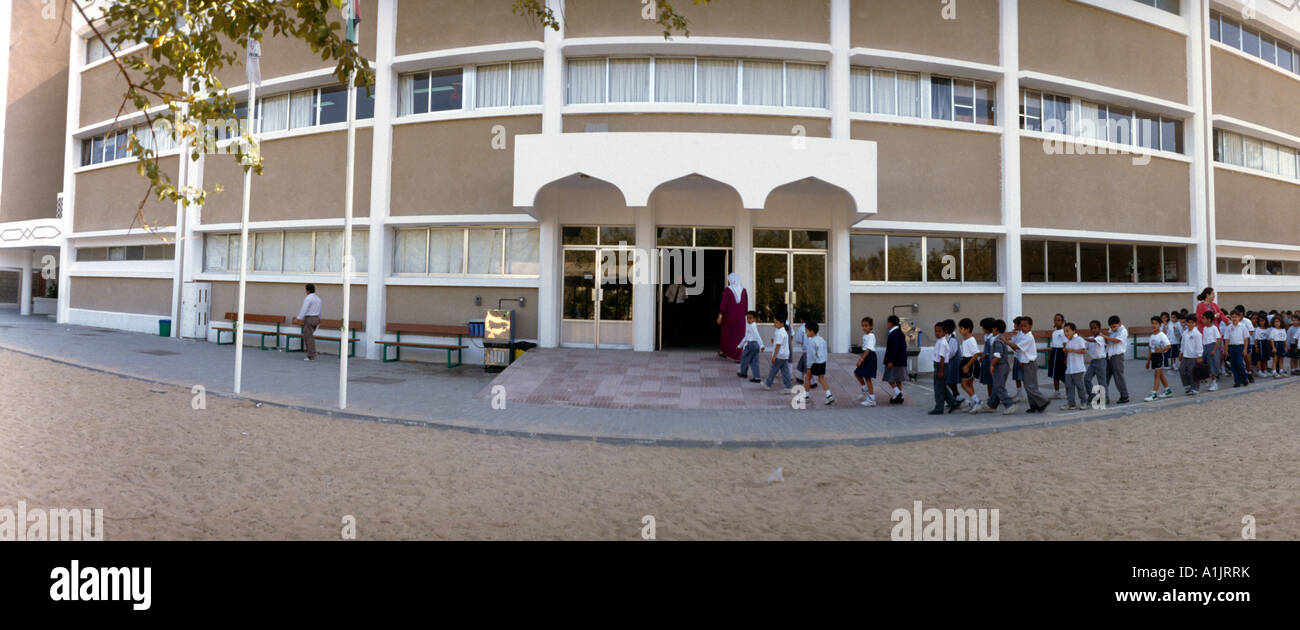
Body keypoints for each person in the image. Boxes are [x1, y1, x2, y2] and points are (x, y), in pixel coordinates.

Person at [973, 319, 1016, 415]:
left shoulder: (997, 340)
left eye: (992, 329)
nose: (991, 331)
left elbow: (998, 355)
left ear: (995, 329)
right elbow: (995, 353)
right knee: (997, 386)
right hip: (1001, 365)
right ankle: (992, 405)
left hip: (1000, 366)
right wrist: (987, 355)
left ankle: (1010, 404)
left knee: (998, 386)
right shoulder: (999, 338)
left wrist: (991, 365)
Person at [1007, 316, 1049, 413]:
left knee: (1030, 386)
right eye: (1021, 326)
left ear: (1030, 326)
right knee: (1028, 386)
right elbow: (1020, 351)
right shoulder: (1023, 335)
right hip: (1025, 363)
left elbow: (1017, 347)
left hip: (1030, 364)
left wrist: (1006, 341)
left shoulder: (1029, 337)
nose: (1022, 328)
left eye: (1025, 326)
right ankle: (1034, 405)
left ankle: (1043, 401)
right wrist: (1021, 362)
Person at [801, 323, 834, 406]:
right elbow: (824, 352)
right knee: (821, 378)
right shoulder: (821, 339)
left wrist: (808, 367)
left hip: (815, 363)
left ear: (811, 331)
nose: (806, 333)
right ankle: (829, 395)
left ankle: (806, 396)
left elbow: (811, 355)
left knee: (807, 378)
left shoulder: (812, 341)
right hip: (822, 362)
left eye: (806, 331)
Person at [717, 273, 747, 362]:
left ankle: (725, 352)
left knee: (727, 335)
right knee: (739, 337)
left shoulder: (728, 290)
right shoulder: (744, 291)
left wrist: (720, 316)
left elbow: (723, 305)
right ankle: (738, 356)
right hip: (740, 319)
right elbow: (745, 306)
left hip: (729, 318)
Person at [1101, 315, 1130, 404]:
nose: (1113, 329)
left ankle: (1124, 395)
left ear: (1120, 324)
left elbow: (1116, 340)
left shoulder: (1123, 331)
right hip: (1109, 355)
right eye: (1111, 327)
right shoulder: (1111, 330)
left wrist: (1105, 337)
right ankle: (1103, 397)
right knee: (1105, 375)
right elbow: (1109, 339)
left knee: (1118, 376)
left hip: (1117, 356)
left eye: (1114, 327)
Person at [763, 308, 794, 394]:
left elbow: (778, 346)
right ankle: (788, 387)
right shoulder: (782, 331)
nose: (774, 324)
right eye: (774, 322)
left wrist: (774, 356)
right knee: (785, 371)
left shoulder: (780, 332)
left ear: (782, 323)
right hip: (784, 355)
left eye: (776, 322)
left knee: (773, 369)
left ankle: (767, 383)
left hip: (780, 355)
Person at [928, 322, 955, 415]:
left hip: (941, 366)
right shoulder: (939, 341)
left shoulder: (943, 342)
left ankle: (939, 408)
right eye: (935, 331)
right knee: (942, 387)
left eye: (939, 331)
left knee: (938, 388)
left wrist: (940, 372)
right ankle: (952, 402)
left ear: (945, 332)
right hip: (939, 365)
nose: (937, 333)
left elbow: (942, 358)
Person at [1144, 315, 1173, 402]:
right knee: (1160, 375)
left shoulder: (1162, 335)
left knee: (1157, 375)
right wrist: (1148, 361)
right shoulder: (1152, 336)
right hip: (1153, 357)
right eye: (1152, 323)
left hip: (1160, 357)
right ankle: (1167, 391)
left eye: (1156, 323)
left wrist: (1160, 350)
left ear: (1160, 325)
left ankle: (1154, 394)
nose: (1154, 325)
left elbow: (1168, 346)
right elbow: (1151, 349)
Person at [1061, 323, 1088, 411]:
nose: (1066, 333)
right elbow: (1068, 353)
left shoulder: (1079, 339)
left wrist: (1071, 350)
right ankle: (1071, 403)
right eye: (1064, 331)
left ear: (1074, 331)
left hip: (1078, 368)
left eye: (1067, 331)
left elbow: (1083, 351)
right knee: (1069, 386)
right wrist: (1065, 353)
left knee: (1080, 386)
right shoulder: (1068, 342)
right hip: (1069, 368)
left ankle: (1084, 402)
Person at [882, 315, 908, 405]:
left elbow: (893, 349)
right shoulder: (899, 333)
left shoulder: (894, 334)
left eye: (888, 323)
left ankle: (898, 393)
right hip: (901, 361)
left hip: (894, 362)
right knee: (898, 379)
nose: (887, 325)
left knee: (890, 378)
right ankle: (900, 397)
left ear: (890, 323)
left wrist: (890, 361)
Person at [1083, 320, 1109, 406]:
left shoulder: (1100, 337)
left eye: (1095, 328)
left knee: (1102, 381)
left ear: (1099, 328)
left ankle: (1105, 398)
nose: (1093, 330)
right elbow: (1084, 346)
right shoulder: (1090, 338)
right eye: (1091, 328)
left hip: (1101, 361)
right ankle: (1092, 395)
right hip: (1093, 362)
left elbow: (1092, 340)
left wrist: (1083, 338)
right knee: (1086, 378)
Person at [293, 283, 322, 361]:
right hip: (316, 319)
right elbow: (319, 311)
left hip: (309, 318)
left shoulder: (308, 298)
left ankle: (310, 355)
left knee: (308, 337)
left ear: (308, 290)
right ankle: (313, 352)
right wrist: (319, 319)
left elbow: (304, 309)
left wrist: (298, 318)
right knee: (311, 337)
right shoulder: (318, 299)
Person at [958, 318, 982, 411]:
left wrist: (967, 366)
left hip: (969, 362)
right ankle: (973, 403)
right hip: (965, 360)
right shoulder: (965, 340)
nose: (960, 330)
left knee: (963, 384)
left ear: (968, 329)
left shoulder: (971, 340)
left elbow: (976, 354)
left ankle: (978, 401)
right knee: (969, 384)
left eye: (961, 328)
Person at [855, 317, 878, 406]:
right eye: (863, 326)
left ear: (871, 326)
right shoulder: (865, 336)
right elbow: (864, 349)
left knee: (867, 378)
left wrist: (861, 359)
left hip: (870, 356)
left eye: (866, 326)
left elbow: (868, 349)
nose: (864, 328)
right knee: (857, 373)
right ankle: (865, 389)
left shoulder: (871, 336)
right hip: (866, 356)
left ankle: (872, 399)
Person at [737, 311, 764, 382]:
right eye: (747, 318)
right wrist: (760, 345)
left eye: (750, 318)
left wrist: (762, 345)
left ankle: (743, 373)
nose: (748, 320)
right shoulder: (752, 325)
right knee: (754, 361)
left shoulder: (752, 326)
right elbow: (747, 337)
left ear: (755, 319)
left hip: (751, 345)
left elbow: (756, 336)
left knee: (744, 358)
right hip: (755, 345)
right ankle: (757, 377)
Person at [1225, 310, 1250, 388]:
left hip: (1240, 346)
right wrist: (1226, 350)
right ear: (1230, 318)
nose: (1234, 318)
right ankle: (1237, 381)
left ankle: (1245, 377)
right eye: (1232, 317)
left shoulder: (1243, 326)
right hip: (1231, 347)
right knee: (1233, 365)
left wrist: (1245, 349)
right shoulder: (1229, 327)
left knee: (1239, 363)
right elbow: (1227, 339)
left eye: (1236, 317)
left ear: (1239, 317)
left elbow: (1246, 338)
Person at [1179, 317, 1203, 396]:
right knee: (1182, 370)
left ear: (1195, 323)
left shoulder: (1197, 334)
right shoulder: (1185, 333)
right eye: (1189, 322)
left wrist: (1199, 356)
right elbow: (1182, 344)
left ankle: (1195, 388)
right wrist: (1181, 352)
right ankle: (1187, 386)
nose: (1190, 324)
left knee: (1193, 373)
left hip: (1193, 356)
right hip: (1185, 355)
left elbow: (1199, 345)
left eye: (1192, 323)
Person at [1200, 311, 1222, 391]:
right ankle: (1210, 380)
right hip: (1205, 347)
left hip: (1212, 347)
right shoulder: (1204, 328)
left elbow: (1218, 339)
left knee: (1213, 365)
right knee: (1207, 365)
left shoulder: (1214, 328)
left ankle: (1215, 383)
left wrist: (1213, 350)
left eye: (1204, 318)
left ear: (1209, 319)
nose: (1202, 320)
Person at [1047, 313, 1067, 399]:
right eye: (1055, 320)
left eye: (1058, 320)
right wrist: (1050, 356)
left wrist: (1066, 357)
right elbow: (1054, 344)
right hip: (1054, 352)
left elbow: (1065, 344)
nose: (1056, 322)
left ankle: (1070, 388)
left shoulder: (1064, 332)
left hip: (1061, 353)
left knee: (1061, 373)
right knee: (1054, 374)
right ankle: (1056, 392)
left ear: (1063, 322)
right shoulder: (1054, 332)